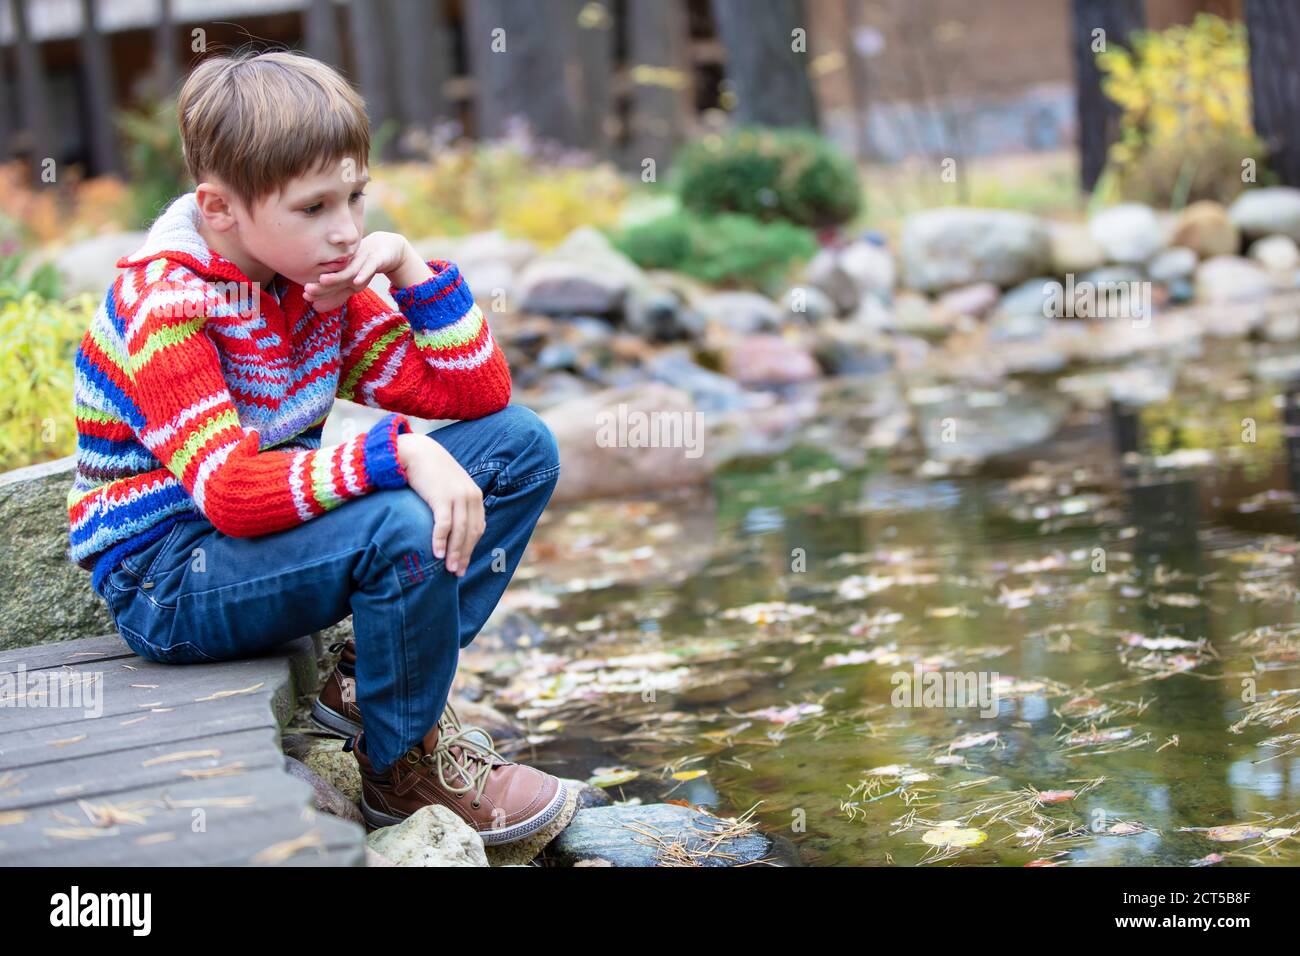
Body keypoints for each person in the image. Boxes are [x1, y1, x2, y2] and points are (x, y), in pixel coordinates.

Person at [65, 48, 572, 846]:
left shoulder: (315, 279)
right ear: (219, 208)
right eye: (313, 208)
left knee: (521, 449)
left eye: (355, 197)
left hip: (261, 546)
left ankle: (370, 689)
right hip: (171, 576)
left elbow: (475, 396)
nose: (345, 230)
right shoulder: (165, 300)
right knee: (401, 521)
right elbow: (230, 491)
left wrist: (408, 268)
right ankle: (401, 771)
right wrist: (397, 453)